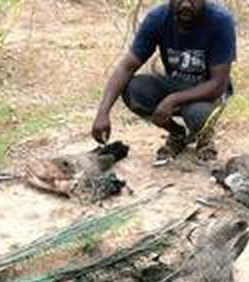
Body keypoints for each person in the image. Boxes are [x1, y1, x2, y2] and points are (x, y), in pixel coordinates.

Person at [92, 0, 236, 163]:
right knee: (134, 90)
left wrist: (172, 99)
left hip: (208, 91)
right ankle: (177, 134)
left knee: (197, 115)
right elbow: (126, 66)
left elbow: (218, 84)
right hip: (176, 83)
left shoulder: (220, 20)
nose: (186, 5)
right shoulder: (158, 18)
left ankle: (204, 137)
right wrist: (103, 113)